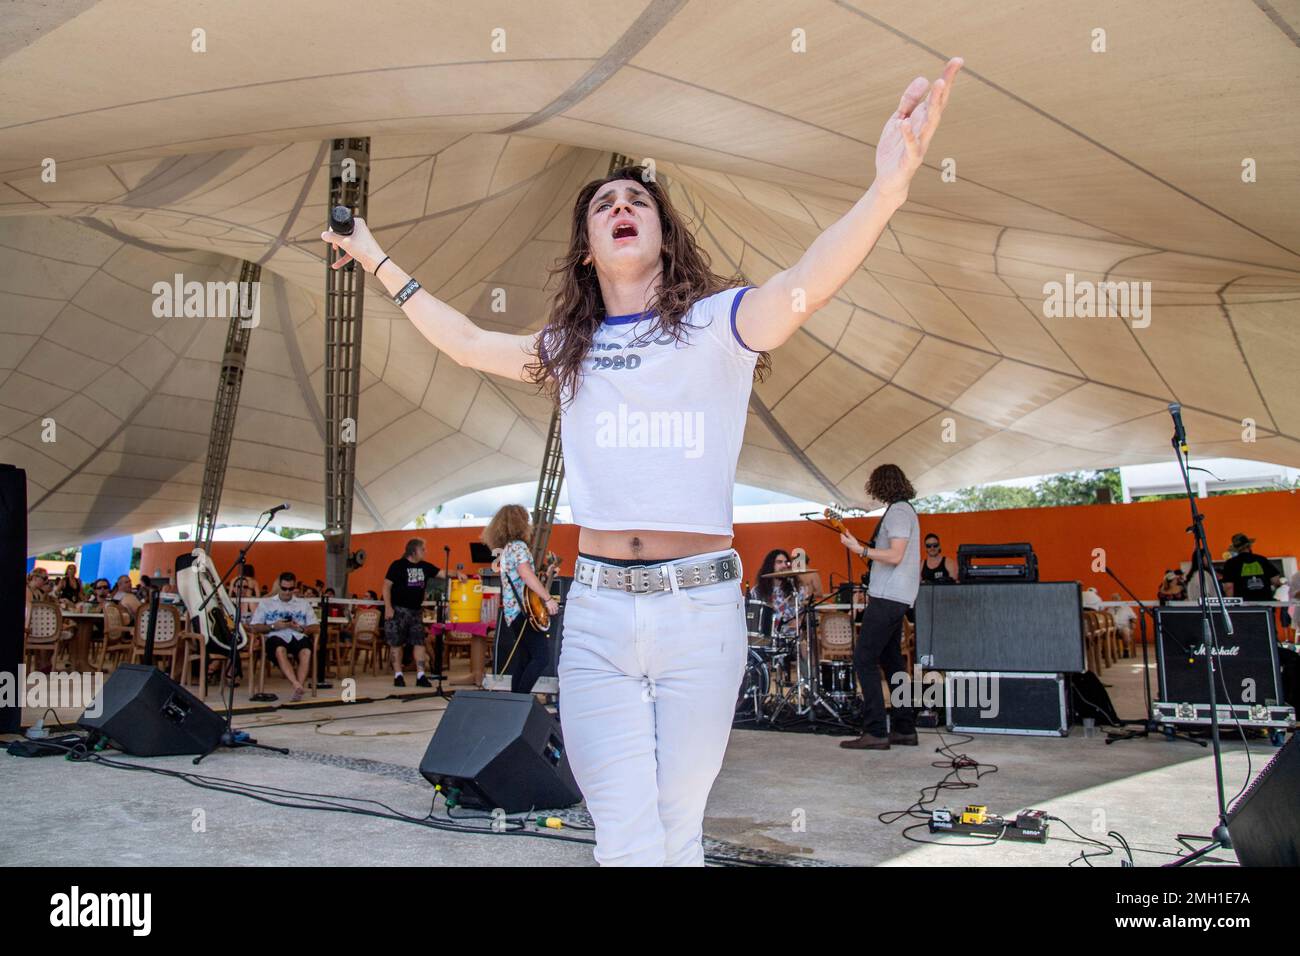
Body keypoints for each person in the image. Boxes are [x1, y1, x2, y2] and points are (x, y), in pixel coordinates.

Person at [321, 56, 961, 865]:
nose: (621, 206)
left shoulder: (718, 324)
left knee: (675, 826)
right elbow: (471, 342)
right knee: (621, 832)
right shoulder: (569, 350)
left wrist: (888, 188)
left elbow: (808, 282)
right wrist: (374, 255)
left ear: (663, 236)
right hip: (594, 618)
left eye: (637, 201)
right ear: (589, 249)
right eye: (603, 205)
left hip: (699, 612)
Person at [836, 464, 922, 750]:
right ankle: (904, 728)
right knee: (892, 662)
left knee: (863, 659)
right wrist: (869, 553)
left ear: (882, 485)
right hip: (898, 596)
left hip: (888, 597)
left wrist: (859, 549)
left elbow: (896, 555)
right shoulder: (904, 510)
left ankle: (875, 731)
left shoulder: (897, 512)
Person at [483, 505, 559, 694]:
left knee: (525, 658)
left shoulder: (507, 549)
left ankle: (516, 701)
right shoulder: (519, 546)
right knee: (541, 658)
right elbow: (525, 575)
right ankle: (521, 700)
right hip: (524, 611)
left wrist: (545, 573)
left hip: (514, 612)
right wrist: (548, 598)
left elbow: (523, 579)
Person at [383, 537, 457, 687]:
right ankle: (398, 675)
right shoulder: (398, 565)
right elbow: (386, 586)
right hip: (399, 610)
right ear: (413, 550)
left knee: (419, 642)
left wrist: (458, 574)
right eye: (423, 549)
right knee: (396, 643)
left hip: (416, 611)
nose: (425, 552)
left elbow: (443, 573)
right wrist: (388, 607)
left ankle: (421, 675)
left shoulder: (425, 566)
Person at [250, 571, 319, 702]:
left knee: (306, 651)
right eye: (284, 588)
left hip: (297, 635)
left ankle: (298, 687)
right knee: (279, 649)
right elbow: (254, 626)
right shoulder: (267, 603)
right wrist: (273, 626)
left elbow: (316, 627)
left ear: (294, 588)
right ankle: (296, 684)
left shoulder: (303, 604)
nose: (287, 592)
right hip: (275, 635)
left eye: (291, 589)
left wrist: (301, 628)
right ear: (279, 586)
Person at [749, 549, 800, 639]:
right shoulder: (757, 591)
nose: (784, 565)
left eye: (786, 562)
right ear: (770, 565)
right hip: (764, 639)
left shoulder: (795, 590)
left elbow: (802, 616)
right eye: (779, 562)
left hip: (790, 640)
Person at [1220, 532, 1282, 601]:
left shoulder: (1230, 563)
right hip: (1265, 604)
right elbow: (1275, 581)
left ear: (1236, 549)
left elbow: (1229, 587)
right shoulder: (1262, 560)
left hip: (1243, 606)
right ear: (1249, 546)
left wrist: (1231, 605)